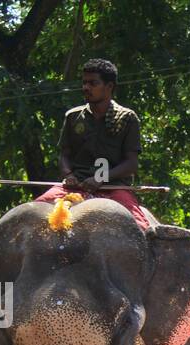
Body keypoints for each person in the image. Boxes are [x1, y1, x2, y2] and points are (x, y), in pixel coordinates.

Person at [34, 58, 151, 231]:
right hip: (75, 187)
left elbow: (131, 164)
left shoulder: (127, 118)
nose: (86, 88)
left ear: (109, 86)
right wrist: (69, 175)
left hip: (114, 188)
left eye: (93, 83)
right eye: (84, 83)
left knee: (140, 229)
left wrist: (100, 179)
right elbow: (65, 155)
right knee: (34, 213)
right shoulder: (73, 117)